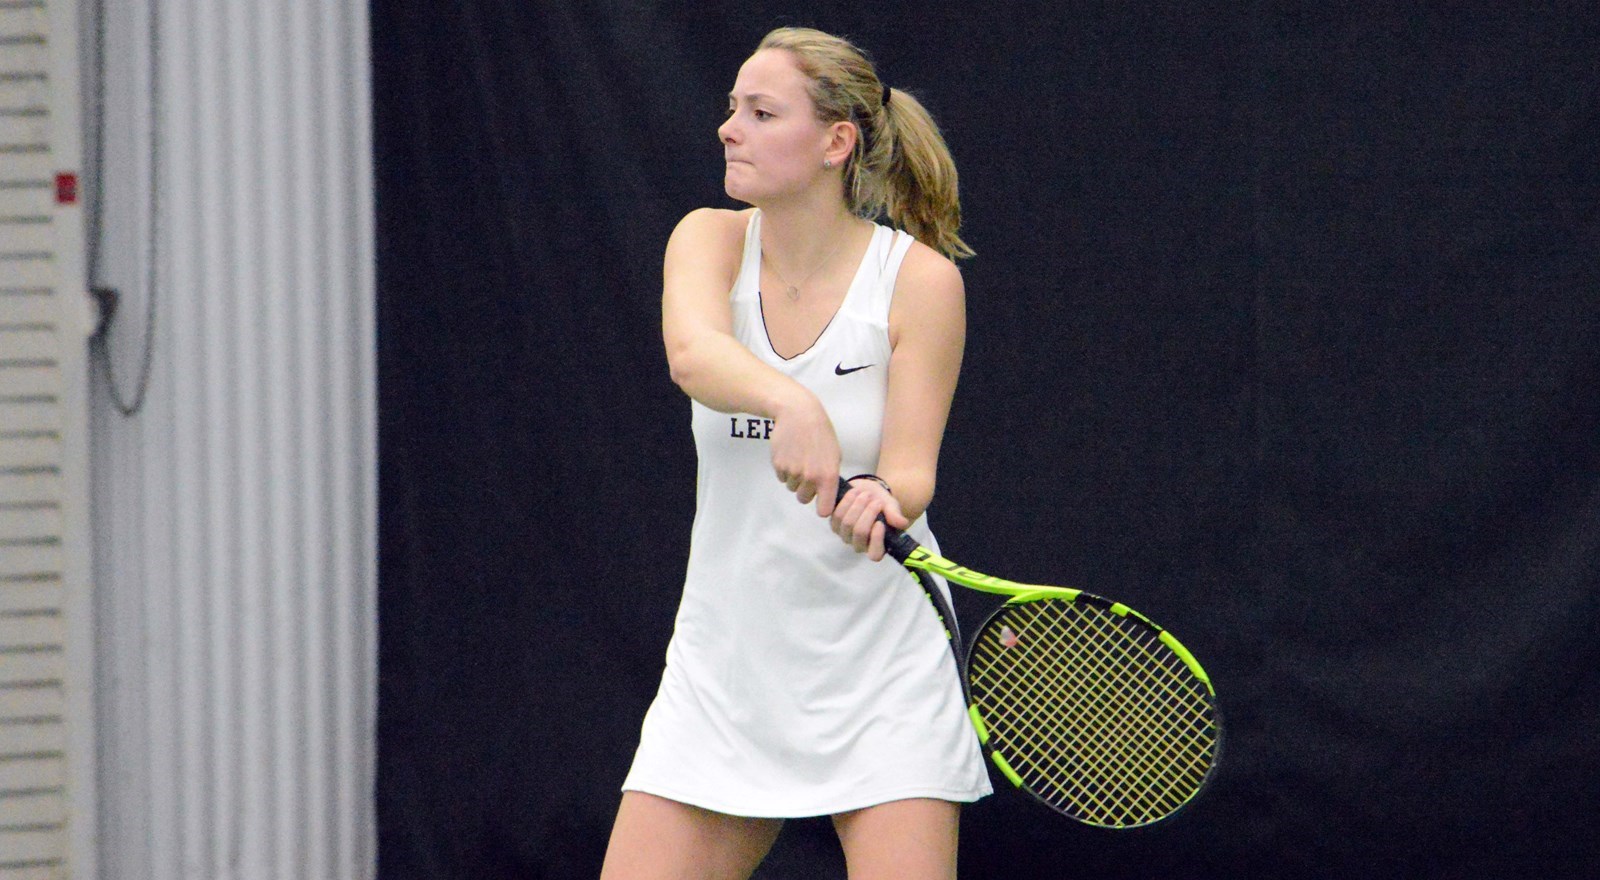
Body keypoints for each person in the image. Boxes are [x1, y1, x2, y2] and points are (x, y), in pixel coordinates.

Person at [601, 26, 988, 880]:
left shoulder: (920, 282)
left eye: (761, 112)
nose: (728, 128)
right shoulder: (706, 239)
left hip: (883, 678)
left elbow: (912, 469)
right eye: (732, 107)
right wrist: (793, 401)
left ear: (835, 143)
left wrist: (885, 497)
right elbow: (692, 355)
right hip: (724, 675)